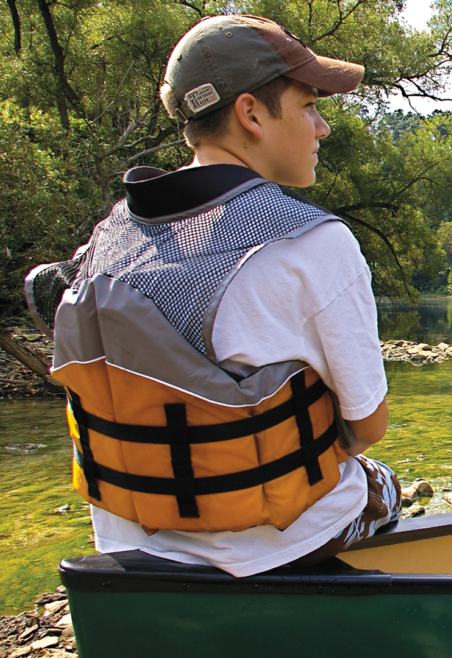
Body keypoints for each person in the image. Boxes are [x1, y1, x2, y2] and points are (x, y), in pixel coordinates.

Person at [24, 14, 400, 577]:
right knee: (385, 482)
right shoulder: (317, 243)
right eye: (308, 106)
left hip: (132, 545)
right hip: (278, 544)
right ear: (251, 113)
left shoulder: (105, 240)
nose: (322, 128)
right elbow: (367, 426)